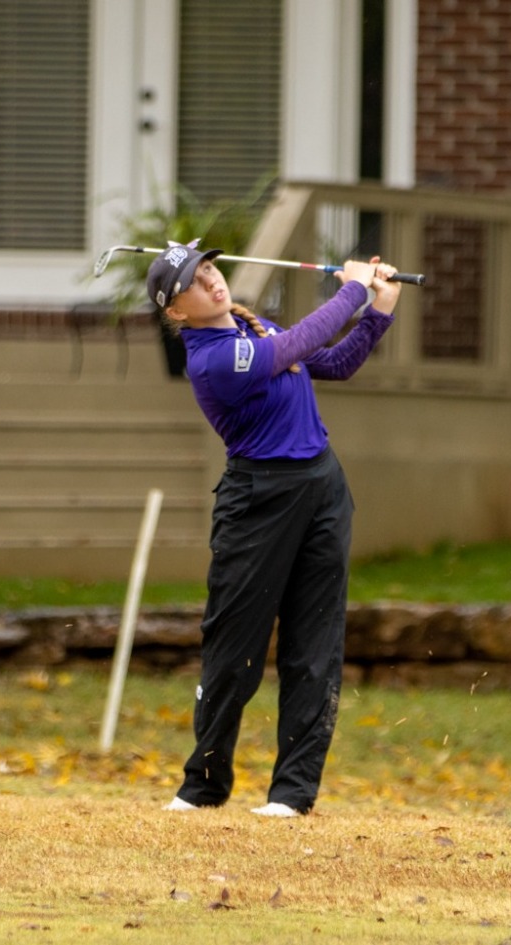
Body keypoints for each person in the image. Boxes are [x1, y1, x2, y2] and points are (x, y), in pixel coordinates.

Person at [149, 239, 401, 818]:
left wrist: (378, 311)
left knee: (313, 646)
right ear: (176, 312)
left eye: (210, 269)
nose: (211, 281)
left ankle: (292, 794)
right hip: (257, 499)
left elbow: (331, 362)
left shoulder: (252, 328)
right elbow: (298, 344)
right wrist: (354, 289)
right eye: (194, 280)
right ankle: (203, 785)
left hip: (322, 489)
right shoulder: (211, 359)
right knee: (235, 648)